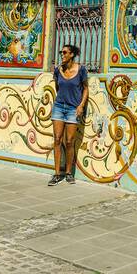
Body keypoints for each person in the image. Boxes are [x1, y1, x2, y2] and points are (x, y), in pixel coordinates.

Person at [48, 44, 88, 185]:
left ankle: (69, 172)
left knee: (70, 141)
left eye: (64, 52)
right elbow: (58, 88)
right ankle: (57, 173)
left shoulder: (81, 70)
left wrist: (81, 105)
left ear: (71, 54)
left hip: (73, 109)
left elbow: (85, 88)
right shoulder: (58, 70)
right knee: (57, 139)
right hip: (59, 107)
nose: (62, 55)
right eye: (61, 52)